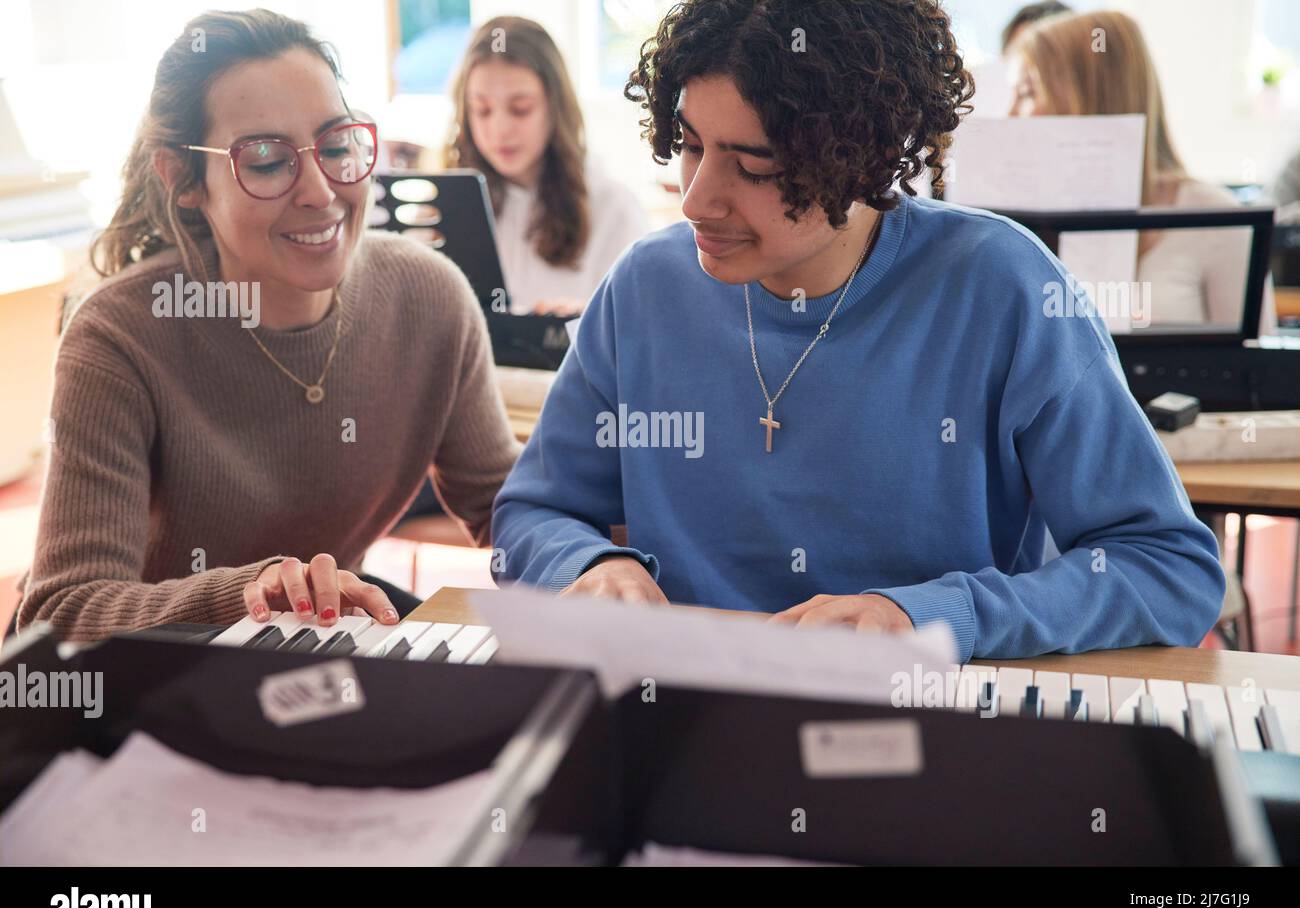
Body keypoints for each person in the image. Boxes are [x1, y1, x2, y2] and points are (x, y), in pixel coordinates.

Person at [489, 0, 1224, 661]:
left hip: (924, 725)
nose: (696, 199)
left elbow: (1166, 565)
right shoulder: (646, 288)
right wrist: (589, 564)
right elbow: (534, 509)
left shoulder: (1001, 287)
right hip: (680, 722)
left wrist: (932, 616)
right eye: (689, 145)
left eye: (753, 165)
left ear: (859, 158)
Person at [14, 10, 518, 641]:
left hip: (308, 656)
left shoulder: (428, 295)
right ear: (183, 179)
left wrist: (628, 531)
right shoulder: (118, 337)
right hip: (149, 685)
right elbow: (61, 613)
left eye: (336, 146)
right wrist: (247, 596)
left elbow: (506, 506)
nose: (319, 191)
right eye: (266, 160)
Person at [1009, 10, 1277, 333]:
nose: (1010, 115)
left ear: (1087, 97)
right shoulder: (1022, 224)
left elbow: (1261, 370)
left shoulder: (1218, 220)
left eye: (1027, 93)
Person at [443, 16, 649, 317]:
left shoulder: (613, 208)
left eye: (520, 109)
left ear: (555, 106)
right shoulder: (451, 203)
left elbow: (640, 331)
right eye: (482, 110)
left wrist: (589, 326)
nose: (500, 130)